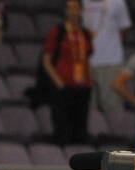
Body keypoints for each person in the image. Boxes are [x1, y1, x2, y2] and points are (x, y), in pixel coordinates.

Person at [44, 0, 94, 146]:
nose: (73, 11)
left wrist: (90, 80)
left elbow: (87, 58)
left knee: (80, 129)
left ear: (81, 10)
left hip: (82, 86)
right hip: (64, 85)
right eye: (70, 8)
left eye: (76, 8)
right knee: (62, 127)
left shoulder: (85, 33)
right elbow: (46, 60)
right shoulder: (58, 31)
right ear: (66, 11)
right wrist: (58, 81)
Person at [83, 0, 132, 121]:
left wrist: (107, 44)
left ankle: (116, 137)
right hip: (86, 63)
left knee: (113, 107)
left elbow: (124, 29)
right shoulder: (82, 2)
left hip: (111, 61)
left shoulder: (118, 3)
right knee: (88, 109)